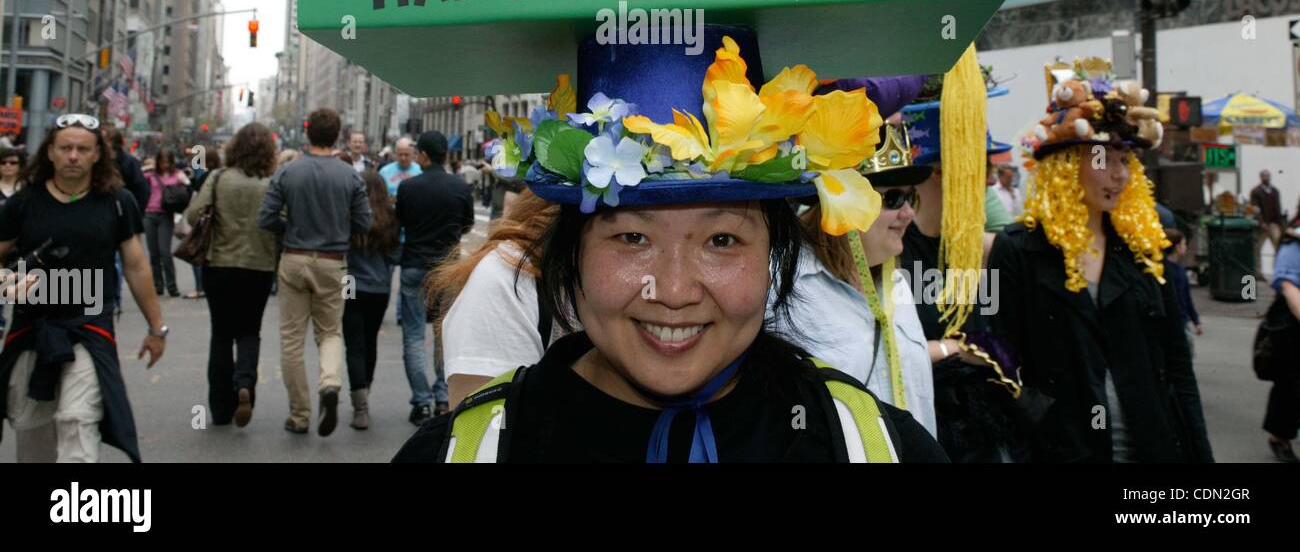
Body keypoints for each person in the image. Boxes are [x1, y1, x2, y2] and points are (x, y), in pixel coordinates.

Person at [395, 28, 945, 463]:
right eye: (632, 238)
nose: (675, 291)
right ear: (569, 255)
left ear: (776, 258)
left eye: (722, 239)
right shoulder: (471, 450)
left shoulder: (872, 446)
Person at [990, 59, 1214, 463]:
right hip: (1062, 451)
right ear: (1066, 166)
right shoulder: (1020, 250)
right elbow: (1000, 362)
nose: (1118, 175)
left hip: (1151, 447)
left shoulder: (1142, 249)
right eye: (1103, 160)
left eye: (1124, 161)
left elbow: (1178, 368)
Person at [0, 114, 166, 462]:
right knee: (32, 432)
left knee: (78, 420)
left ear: (96, 155)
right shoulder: (23, 203)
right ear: (50, 153)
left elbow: (136, 266)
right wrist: (8, 281)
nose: (73, 155)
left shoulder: (118, 202)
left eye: (82, 149)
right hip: (32, 326)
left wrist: (157, 328)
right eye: (65, 148)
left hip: (89, 327)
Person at [897, 52, 1028, 462]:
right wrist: (951, 349)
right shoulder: (890, 247)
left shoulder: (992, 249)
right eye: (980, 163)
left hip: (986, 434)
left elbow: (1019, 343)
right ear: (939, 169)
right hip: (917, 426)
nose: (990, 178)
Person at [779, 123, 937, 437]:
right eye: (892, 199)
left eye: (911, 198)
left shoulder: (897, 284)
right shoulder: (785, 287)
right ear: (844, 202)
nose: (907, 213)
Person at [258, 108, 371, 436]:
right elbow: (365, 222)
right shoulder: (350, 175)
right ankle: (331, 383)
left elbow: (265, 218)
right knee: (330, 332)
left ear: (308, 134)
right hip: (333, 260)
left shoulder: (289, 171)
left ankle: (300, 414)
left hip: (293, 257)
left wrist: (290, 226)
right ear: (337, 136)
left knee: (292, 339)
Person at [184, 123, 278, 428]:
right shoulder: (271, 182)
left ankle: (220, 408)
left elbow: (192, 215)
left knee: (221, 335)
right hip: (259, 267)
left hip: (220, 265)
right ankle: (245, 384)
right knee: (250, 331)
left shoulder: (218, 177)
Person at [432, 190, 560, 409]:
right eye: (631, 237)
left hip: (412, 264)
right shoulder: (508, 275)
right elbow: (483, 433)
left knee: (413, 334)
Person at [394, 131, 475, 422]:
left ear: (424, 156)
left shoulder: (408, 188)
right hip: (448, 267)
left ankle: (422, 400)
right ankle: (443, 397)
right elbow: (467, 225)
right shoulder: (460, 187)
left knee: (414, 335)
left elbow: (400, 223)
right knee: (445, 334)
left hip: (414, 265)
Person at [343, 170, 400, 430]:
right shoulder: (390, 216)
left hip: (351, 282)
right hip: (380, 286)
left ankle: (360, 404)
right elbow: (395, 254)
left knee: (353, 344)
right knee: (370, 340)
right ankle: (367, 387)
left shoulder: (351, 213)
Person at [1263, 227, 1300, 462]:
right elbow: (1287, 285)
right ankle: (1279, 438)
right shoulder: (1294, 243)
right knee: (1292, 385)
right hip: (1293, 328)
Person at [143, 149, 190, 298]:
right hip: (149, 215)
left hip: (166, 216)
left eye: (167, 162)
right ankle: (158, 286)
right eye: (162, 162)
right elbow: (137, 179)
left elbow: (189, 186)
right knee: (154, 254)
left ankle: (172, 286)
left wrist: (184, 178)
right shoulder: (150, 175)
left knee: (165, 252)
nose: (164, 165)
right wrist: (147, 166)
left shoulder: (177, 176)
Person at [182, 146, 222, 300]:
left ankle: (200, 287)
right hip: (216, 221)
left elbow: (198, 194)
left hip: (205, 219)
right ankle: (203, 286)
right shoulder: (218, 174)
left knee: (199, 251)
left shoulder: (208, 176)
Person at [1163, 229, 1202, 357]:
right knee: (1185, 350)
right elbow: (1186, 298)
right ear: (1176, 247)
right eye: (1184, 244)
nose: (1186, 247)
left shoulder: (1178, 270)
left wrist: (1195, 320)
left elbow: (1187, 298)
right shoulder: (1171, 271)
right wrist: (1195, 320)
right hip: (1176, 319)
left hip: (1179, 318)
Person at [0, 148, 21, 335]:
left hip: (20, 255)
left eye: (13, 163)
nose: (8, 166)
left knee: (18, 297)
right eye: (4, 162)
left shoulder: (25, 192)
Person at [103, 129, 149, 215]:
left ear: (112, 143)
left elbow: (142, 189)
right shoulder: (101, 161)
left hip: (125, 211)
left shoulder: (130, 162)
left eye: (105, 140)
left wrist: (135, 212)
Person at [1250, 170, 1285, 274]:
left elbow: (1278, 207)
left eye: (1267, 176)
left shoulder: (1275, 191)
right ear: (1260, 177)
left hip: (1274, 223)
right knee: (1257, 248)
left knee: (1279, 247)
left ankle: (1278, 271)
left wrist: (1280, 223)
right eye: (1264, 176)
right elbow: (1255, 208)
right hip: (1263, 224)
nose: (1266, 178)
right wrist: (1261, 222)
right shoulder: (1256, 191)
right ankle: (1258, 272)